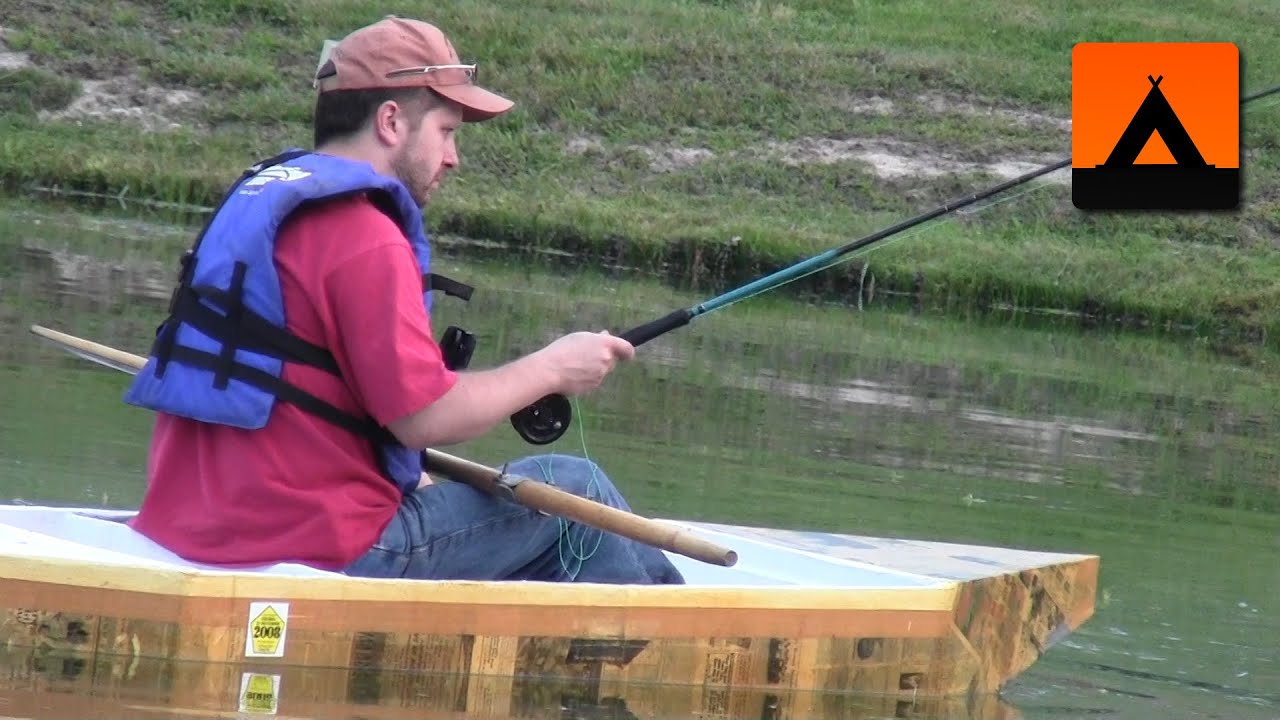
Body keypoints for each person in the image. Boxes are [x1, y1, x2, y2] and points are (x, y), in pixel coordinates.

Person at [120, 15, 685, 585]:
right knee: (578, 490)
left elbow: (338, 402)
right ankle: (676, 648)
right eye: (447, 131)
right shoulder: (364, 235)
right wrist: (554, 368)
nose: (454, 157)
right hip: (321, 546)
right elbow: (422, 417)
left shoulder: (266, 201)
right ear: (391, 121)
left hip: (190, 528)